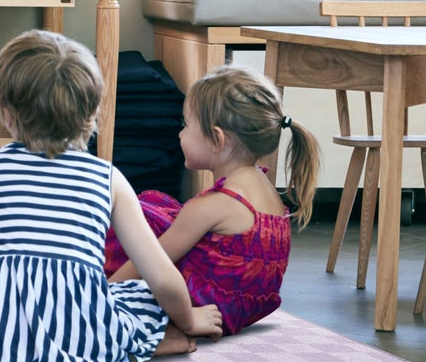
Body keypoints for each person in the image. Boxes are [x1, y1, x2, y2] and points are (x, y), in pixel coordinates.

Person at [0, 31, 224, 362]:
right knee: (138, 295)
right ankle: (151, 342)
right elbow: (163, 279)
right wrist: (190, 319)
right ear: (93, 111)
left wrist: (0, 297)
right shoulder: (107, 178)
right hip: (84, 338)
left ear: (6, 113)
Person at [105, 65, 320, 335]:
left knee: (138, 221)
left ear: (217, 139)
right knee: (160, 211)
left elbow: (147, 261)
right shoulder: (263, 187)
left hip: (208, 306)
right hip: (243, 306)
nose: (180, 133)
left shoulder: (215, 205)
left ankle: (166, 331)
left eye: (186, 125)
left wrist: (104, 297)